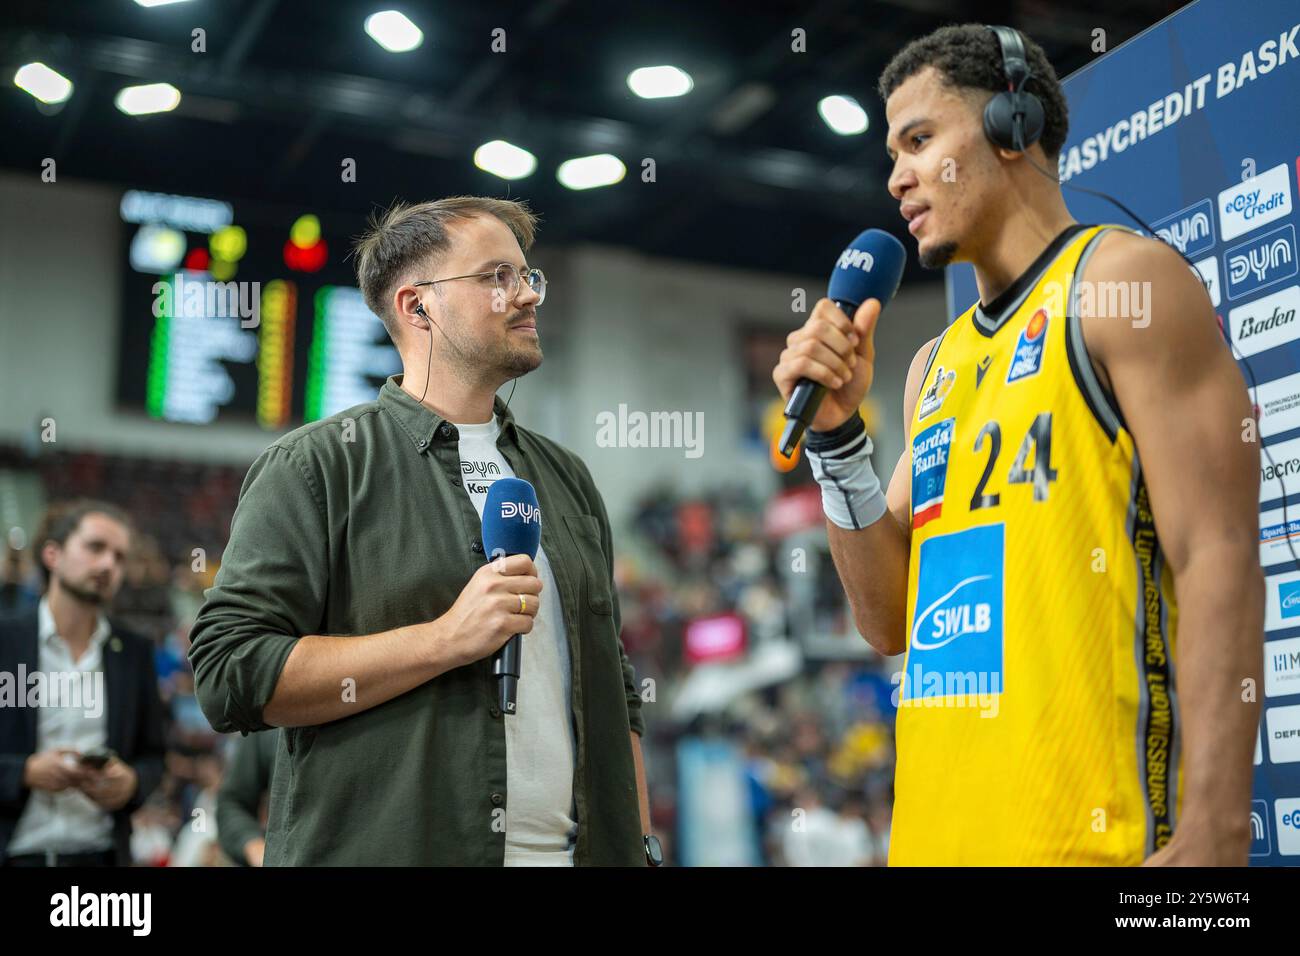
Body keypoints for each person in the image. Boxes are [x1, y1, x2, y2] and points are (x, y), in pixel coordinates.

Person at [772, 24, 1262, 865]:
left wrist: (1218, 823)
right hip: (935, 841)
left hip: (1092, 842)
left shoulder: (1122, 285)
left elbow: (1216, 553)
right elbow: (886, 621)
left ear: (1012, 125)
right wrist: (838, 440)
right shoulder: (934, 365)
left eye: (921, 140)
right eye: (893, 152)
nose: (896, 177)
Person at [190, 196, 656, 866]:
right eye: (497, 277)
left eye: (528, 277)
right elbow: (229, 671)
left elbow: (616, 689)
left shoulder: (569, 480)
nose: (526, 295)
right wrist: (443, 640)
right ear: (417, 307)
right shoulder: (317, 467)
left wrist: (642, 845)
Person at [0, 501, 166, 866]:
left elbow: (154, 754)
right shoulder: (6, 640)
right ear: (52, 554)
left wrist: (132, 782)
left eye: (120, 558)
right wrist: (24, 773)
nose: (109, 565)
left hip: (100, 859)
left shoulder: (134, 653)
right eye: (96, 548)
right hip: (16, 853)